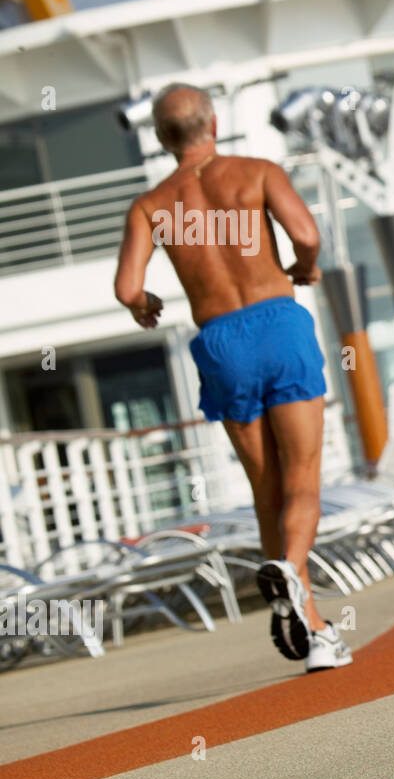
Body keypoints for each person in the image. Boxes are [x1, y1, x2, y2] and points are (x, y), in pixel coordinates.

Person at [113, 83, 350, 672]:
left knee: (266, 488)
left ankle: (315, 630)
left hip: (220, 341)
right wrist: (305, 267)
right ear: (212, 122)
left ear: (163, 138)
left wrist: (144, 303)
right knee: (303, 480)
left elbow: (125, 287)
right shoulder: (257, 171)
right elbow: (307, 234)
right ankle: (291, 571)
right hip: (277, 323)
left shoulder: (151, 205)